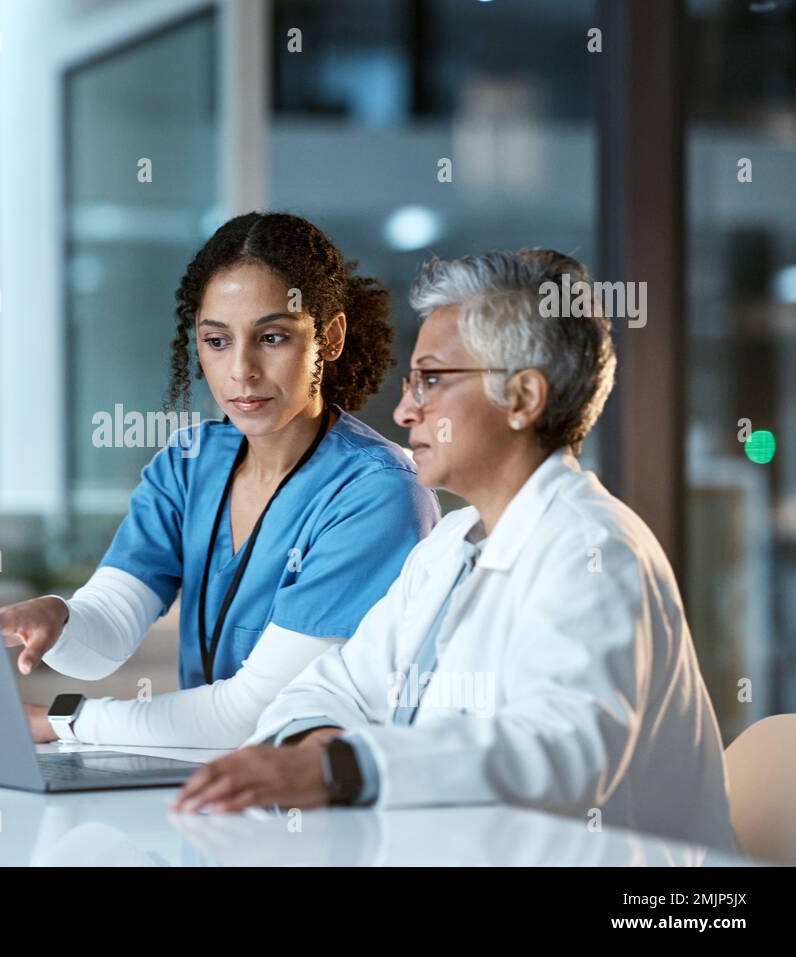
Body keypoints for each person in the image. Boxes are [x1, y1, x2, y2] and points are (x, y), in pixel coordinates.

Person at [173, 248, 738, 852]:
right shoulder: (449, 545)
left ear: (522, 397)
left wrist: (344, 767)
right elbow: (326, 689)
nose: (404, 408)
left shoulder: (593, 548)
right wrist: (320, 748)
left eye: (432, 380)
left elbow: (568, 752)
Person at [0, 212, 439, 748]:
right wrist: (57, 619)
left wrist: (64, 720)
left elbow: (257, 714)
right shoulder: (190, 462)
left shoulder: (378, 494)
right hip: (206, 785)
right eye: (217, 341)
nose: (242, 370)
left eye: (272, 337)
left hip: (322, 806)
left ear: (331, 336)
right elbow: (109, 628)